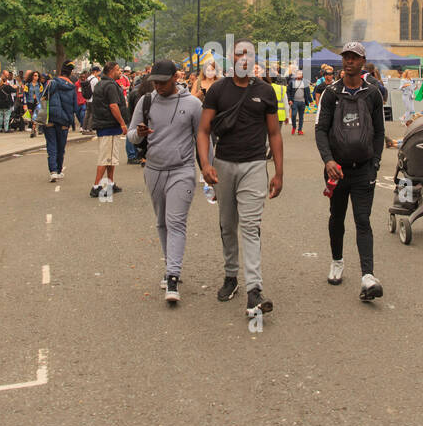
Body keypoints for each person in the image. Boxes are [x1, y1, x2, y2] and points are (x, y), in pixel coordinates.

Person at [197, 39, 283, 318]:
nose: (243, 59)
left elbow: (274, 134)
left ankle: (254, 290)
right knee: (227, 224)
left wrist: (279, 172)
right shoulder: (218, 91)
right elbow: (203, 130)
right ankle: (231, 276)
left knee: (250, 225)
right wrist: (205, 164)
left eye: (248, 55)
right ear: (230, 59)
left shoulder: (266, 91)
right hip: (223, 165)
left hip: (255, 166)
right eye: (238, 54)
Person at [128, 60, 202, 303]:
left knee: (176, 222)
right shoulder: (146, 101)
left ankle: (172, 276)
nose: (158, 86)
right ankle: (170, 265)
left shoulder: (192, 104)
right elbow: (131, 137)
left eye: (163, 82)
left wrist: (208, 170)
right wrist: (138, 134)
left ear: (175, 78)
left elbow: (202, 138)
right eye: (155, 82)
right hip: (154, 170)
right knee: (162, 222)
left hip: (182, 170)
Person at [316, 42, 386, 299]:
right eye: (346, 57)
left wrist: (376, 162)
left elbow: (379, 132)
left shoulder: (373, 94)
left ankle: (368, 275)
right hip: (337, 171)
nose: (349, 61)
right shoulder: (331, 93)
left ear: (362, 61)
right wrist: (328, 161)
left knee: (363, 220)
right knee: (337, 217)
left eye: (354, 58)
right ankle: (337, 260)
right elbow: (321, 129)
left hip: (363, 170)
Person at [88, 61, 129, 196]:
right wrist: (122, 123)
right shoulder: (110, 85)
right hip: (109, 126)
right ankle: (96, 186)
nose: (120, 72)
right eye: (118, 70)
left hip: (105, 125)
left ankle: (110, 183)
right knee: (105, 157)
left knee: (111, 157)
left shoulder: (101, 83)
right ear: (111, 70)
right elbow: (113, 106)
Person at [41, 63, 77, 182]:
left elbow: (43, 98)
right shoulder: (72, 87)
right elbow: (75, 106)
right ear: (70, 73)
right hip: (64, 120)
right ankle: (59, 169)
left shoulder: (51, 83)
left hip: (50, 118)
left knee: (51, 145)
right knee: (61, 147)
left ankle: (53, 171)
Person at [288, 68, 309, 134]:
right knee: (293, 115)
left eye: (300, 74)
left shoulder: (305, 82)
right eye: (298, 74)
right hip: (294, 102)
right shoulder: (292, 82)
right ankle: (294, 126)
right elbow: (288, 92)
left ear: (302, 75)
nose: (299, 75)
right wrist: (290, 100)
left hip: (302, 102)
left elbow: (307, 92)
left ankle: (300, 130)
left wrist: (310, 101)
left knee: (301, 117)